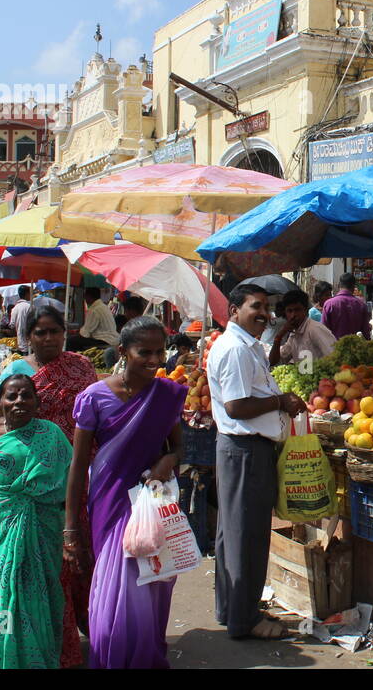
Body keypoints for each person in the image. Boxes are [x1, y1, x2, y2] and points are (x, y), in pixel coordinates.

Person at [0, 303, 98, 667]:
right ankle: (41, 644)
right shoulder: (16, 371)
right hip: (28, 483)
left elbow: (95, 415)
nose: (47, 338)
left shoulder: (81, 367)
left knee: (75, 559)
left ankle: (81, 632)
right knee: (35, 571)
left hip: (75, 474)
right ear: (28, 336)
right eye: (39, 332)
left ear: (65, 332)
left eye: (54, 330)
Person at [67, 317, 186, 669]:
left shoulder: (167, 394)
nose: (154, 360)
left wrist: (167, 461)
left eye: (159, 352)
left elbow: (180, 447)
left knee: (150, 581)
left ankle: (145, 655)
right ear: (123, 352)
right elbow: (77, 467)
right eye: (144, 352)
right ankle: (115, 656)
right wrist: (70, 527)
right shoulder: (94, 397)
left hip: (151, 501)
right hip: (110, 501)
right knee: (114, 592)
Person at [208, 284, 306, 640]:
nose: (264, 313)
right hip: (244, 450)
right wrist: (281, 401)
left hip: (243, 450)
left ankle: (232, 608)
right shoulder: (235, 349)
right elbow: (237, 406)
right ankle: (245, 620)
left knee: (233, 535)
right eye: (256, 306)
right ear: (234, 310)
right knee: (246, 536)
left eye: (267, 306)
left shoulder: (246, 346)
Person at [0, 373, 72, 669]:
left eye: (26, 395)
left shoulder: (51, 435)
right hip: (2, 533)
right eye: (11, 396)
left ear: (38, 402)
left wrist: (69, 534)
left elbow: (68, 488)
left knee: (45, 599)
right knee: (5, 599)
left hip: (46, 531)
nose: (19, 402)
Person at [270, 289, 337, 367]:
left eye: (297, 310)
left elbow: (334, 357)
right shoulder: (294, 334)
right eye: (289, 311)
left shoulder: (315, 329)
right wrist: (278, 337)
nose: (293, 315)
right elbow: (275, 362)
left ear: (305, 310)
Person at [320, 273, 372, 341]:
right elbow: (366, 333)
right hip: (355, 348)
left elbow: (324, 331)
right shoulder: (361, 305)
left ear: (339, 285)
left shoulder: (329, 304)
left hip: (334, 348)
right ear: (354, 287)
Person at [68, 288, 118, 352]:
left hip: (104, 340)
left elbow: (85, 333)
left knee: (70, 341)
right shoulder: (103, 306)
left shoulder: (94, 310)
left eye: (85, 296)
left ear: (89, 296)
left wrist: (76, 332)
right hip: (112, 339)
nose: (85, 299)